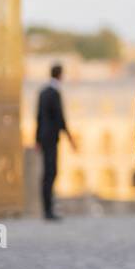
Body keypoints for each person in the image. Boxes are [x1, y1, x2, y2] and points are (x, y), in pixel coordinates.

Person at [34, 62, 77, 220]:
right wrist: (70, 138)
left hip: (44, 137)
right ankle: (48, 210)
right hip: (51, 138)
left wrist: (37, 139)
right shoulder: (54, 93)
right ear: (60, 75)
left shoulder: (43, 92)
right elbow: (60, 118)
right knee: (51, 173)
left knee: (47, 173)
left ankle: (47, 209)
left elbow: (38, 117)